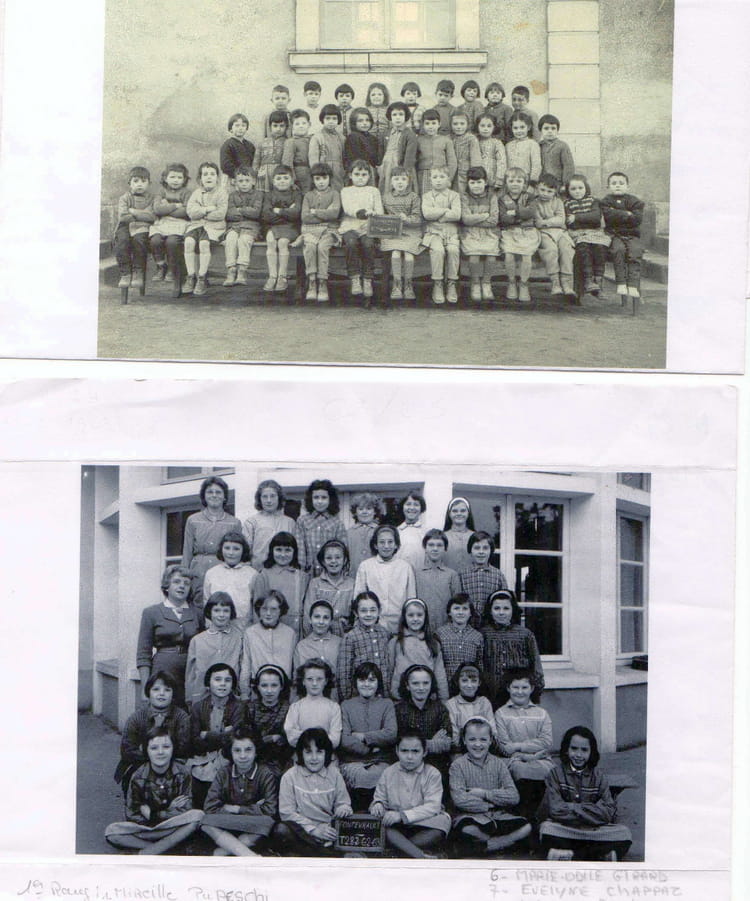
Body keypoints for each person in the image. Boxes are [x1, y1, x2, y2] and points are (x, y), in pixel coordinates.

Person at [539, 726, 632, 861]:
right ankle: (598, 855)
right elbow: (555, 809)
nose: (578, 755)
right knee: (547, 829)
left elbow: (608, 812)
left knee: (624, 834)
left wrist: (572, 807)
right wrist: (590, 811)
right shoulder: (554, 774)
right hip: (566, 828)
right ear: (566, 750)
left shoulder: (599, 777)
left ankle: (570, 855)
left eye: (584, 750)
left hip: (594, 831)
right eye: (574, 748)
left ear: (591, 752)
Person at [105, 728, 203, 854]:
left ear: (173, 749)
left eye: (166, 747)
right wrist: (168, 810)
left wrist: (153, 814)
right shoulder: (138, 776)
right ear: (146, 750)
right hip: (145, 830)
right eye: (154, 748)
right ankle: (166, 848)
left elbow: (187, 808)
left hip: (172, 827)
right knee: (111, 832)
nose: (160, 752)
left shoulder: (183, 773)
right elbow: (132, 813)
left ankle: (149, 851)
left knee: (198, 816)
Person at [449, 718, 531, 855]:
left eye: (483, 740)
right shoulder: (457, 765)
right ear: (464, 740)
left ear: (491, 740)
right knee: (467, 829)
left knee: (527, 827)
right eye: (472, 739)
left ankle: (492, 844)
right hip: (472, 817)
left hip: (498, 816)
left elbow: (513, 796)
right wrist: (492, 804)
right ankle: (501, 843)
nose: (477, 744)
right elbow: (460, 799)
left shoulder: (499, 764)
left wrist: (485, 794)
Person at [370, 732, 451, 858]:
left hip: (423, 823)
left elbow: (433, 806)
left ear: (424, 752)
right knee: (383, 827)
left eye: (415, 751)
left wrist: (403, 816)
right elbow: (380, 798)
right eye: (404, 751)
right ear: (397, 751)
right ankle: (421, 856)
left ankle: (399, 850)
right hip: (397, 826)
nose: (409, 756)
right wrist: (378, 804)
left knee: (441, 824)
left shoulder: (432, 773)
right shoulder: (388, 772)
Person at [201, 728, 277, 856]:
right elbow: (209, 807)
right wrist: (254, 809)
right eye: (237, 750)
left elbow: (270, 809)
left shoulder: (265, 774)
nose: (242, 756)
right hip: (227, 822)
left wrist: (237, 809)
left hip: (253, 825)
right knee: (205, 821)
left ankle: (226, 850)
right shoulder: (223, 773)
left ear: (256, 751)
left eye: (248, 750)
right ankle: (247, 854)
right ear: (230, 752)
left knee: (268, 823)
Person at [276, 727, 353, 854]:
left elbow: (343, 802)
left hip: (328, 830)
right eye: (308, 752)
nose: (314, 758)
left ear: (327, 753)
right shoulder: (289, 777)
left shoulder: (334, 774)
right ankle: (319, 853)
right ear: (300, 753)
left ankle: (318, 852)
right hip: (303, 831)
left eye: (319, 752)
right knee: (282, 829)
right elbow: (287, 813)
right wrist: (313, 829)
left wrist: (343, 809)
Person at [136, 564, 203, 709]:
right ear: (166, 585)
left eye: (186, 583)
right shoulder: (151, 612)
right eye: (176, 582)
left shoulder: (197, 613)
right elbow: (143, 653)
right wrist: (145, 688)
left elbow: (203, 646)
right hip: (163, 670)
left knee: (190, 714)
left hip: (190, 672)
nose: (182, 586)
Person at [114, 671, 191, 796]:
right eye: (156, 689)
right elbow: (127, 749)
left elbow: (184, 746)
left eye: (167, 690)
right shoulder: (137, 717)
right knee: (137, 780)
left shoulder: (181, 717)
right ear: (148, 693)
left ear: (173, 694)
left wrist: (163, 760)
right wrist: (152, 759)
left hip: (172, 762)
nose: (161, 694)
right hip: (141, 763)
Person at [339, 662, 397, 808]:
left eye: (372, 680)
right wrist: (370, 749)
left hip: (381, 761)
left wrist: (364, 737)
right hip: (353, 761)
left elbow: (391, 733)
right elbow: (345, 739)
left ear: (378, 682)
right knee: (360, 776)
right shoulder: (346, 705)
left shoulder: (386, 704)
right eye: (362, 680)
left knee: (383, 776)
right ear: (355, 682)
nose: (367, 684)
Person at [187, 662, 244, 807]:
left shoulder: (239, 707)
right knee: (197, 783)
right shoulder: (198, 707)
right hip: (202, 758)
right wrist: (223, 733)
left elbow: (234, 739)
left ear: (233, 684)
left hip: (227, 758)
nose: (222, 684)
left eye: (227, 680)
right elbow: (194, 740)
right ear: (208, 683)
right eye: (217, 680)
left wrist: (207, 734)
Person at [181, 476, 241, 605]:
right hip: (199, 570)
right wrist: (184, 577)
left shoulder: (234, 523)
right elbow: (187, 552)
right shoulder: (193, 520)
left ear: (225, 496)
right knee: (198, 605)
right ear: (204, 496)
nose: (214, 495)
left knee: (222, 605)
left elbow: (238, 553)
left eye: (218, 492)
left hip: (223, 570)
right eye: (210, 492)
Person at [481, 590, 544, 707]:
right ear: (490, 611)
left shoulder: (525, 634)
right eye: (497, 608)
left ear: (513, 610)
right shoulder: (483, 634)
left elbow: (536, 665)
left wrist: (536, 691)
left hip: (518, 695)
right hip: (491, 695)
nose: (501, 613)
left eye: (506, 608)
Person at [353, 525, 416, 633]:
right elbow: (358, 597)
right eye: (382, 542)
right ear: (375, 545)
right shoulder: (366, 566)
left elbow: (411, 599)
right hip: (373, 625)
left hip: (399, 625)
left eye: (390, 542)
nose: (386, 546)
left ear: (396, 545)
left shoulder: (405, 567)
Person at [338, 158, 384, 305]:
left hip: (368, 227)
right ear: (350, 175)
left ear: (369, 176)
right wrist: (361, 212)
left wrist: (373, 214)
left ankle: (368, 279)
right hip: (350, 225)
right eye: (357, 174)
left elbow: (380, 211)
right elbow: (348, 209)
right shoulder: (346, 191)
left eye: (364, 175)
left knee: (368, 244)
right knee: (351, 243)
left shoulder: (373, 191)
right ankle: (355, 278)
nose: (360, 178)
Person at [184, 592, 243, 705]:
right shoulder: (197, 640)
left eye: (226, 611)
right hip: (202, 696)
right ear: (209, 612)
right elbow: (190, 673)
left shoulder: (238, 638)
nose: (221, 615)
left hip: (230, 697)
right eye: (216, 610)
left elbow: (241, 666)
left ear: (231, 613)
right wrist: (189, 697)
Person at [394, 665, 452, 774]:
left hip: (435, 765)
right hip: (405, 765)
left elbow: (446, 743)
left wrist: (412, 745)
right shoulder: (398, 710)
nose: (421, 688)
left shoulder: (440, 709)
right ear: (407, 685)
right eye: (415, 683)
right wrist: (431, 743)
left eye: (425, 683)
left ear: (431, 684)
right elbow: (396, 742)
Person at [336, 591, 393, 701]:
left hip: (382, 695)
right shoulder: (350, 637)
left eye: (373, 610)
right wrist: (346, 699)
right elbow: (344, 671)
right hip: (359, 696)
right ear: (356, 613)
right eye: (363, 610)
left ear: (379, 611)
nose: (368, 614)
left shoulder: (385, 633)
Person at [239, 590, 297, 697]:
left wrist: (294, 693)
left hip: (284, 691)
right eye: (264, 609)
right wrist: (244, 692)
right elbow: (246, 664)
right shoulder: (250, 633)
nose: (268, 613)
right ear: (258, 610)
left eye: (274, 609)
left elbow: (294, 666)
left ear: (281, 611)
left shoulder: (290, 633)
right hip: (258, 690)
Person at [389, 598, 449, 700]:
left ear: (425, 617)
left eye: (419, 615)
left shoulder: (433, 643)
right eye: (411, 615)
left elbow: (440, 674)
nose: (415, 619)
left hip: (426, 697)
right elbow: (389, 670)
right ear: (404, 617)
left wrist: (444, 699)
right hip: (401, 698)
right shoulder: (396, 642)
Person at [183, 161, 228, 297]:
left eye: (212, 174)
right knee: (189, 242)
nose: (209, 177)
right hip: (196, 226)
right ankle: (191, 276)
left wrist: (201, 213)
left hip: (214, 228)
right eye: (205, 174)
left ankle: (202, 277)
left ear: (217, 178)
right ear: (200, 178)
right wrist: (207, 209)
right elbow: (191, 212)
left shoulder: (221, 193)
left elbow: (220, 214)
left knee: (203, 244)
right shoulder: (196, 193)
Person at [253, 532, 309, 637]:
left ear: (294, 552)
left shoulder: (302, 577)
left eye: (287, 550)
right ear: (271, 551)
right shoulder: (264, 575)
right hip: (271, 628)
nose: (283, 554)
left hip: (296, 628)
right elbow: (258, 608)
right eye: (278, 550)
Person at [600, 171, 645, 304]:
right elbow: (608, 216)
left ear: (627, 186)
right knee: (618, 251)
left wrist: (617, 213)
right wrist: (627, 213)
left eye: (621, 183)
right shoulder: (606, 201)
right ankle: (620, 283)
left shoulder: (635, 201)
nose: (617, 186)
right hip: (615, 235)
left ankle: (632, 285)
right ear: (608, 186)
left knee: (635, 253)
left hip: (632, 235)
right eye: (614, 183)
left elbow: (637, 219)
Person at [300, 163, 341, 303]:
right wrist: (325, 213)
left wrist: (315, 212)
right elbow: (304, 217)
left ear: (329, 178)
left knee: (322, 247)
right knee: (310, 247)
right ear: (313, 180)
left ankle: (322, 283)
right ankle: (312, 281)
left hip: (329, 230)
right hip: (310, 230)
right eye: (317, 179)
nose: (321, 182)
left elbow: (334, 213)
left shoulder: (335, 194)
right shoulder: (308, 196)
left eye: (324, 178)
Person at [565, 173, 611, 297]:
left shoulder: (593, 201)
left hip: (595, 233)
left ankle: (598, 282)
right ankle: (588, 280)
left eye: (580, 188)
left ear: (586, 188)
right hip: (578, 234)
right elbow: (570, 224)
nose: (577, 191)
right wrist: (585, 219)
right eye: (573, 189)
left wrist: (577, 217)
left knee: (600, 248)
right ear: (568, 191)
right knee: (583, 248)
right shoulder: (567, 204)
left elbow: (596, 218)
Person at [498, 167, 540, 303]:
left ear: (524, 183)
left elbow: (531, 213)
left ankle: (523, 283)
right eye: (511, 180)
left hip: (527, 232)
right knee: (509, 254)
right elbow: (503, 218)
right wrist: (521, 215)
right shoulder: (503, 199)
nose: (515, 183)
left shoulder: (530, 197)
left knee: (526, 255)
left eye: (518, 181)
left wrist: (514, 212)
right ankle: (511, 282)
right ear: (506, 183)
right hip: (509, 231)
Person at [381, 166, 423, 304]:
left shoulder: (414, 197)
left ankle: (408, 284)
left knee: (409, 255)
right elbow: (381, 218)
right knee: (395, 254)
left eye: (403, 179)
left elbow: (418, 219)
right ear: (391, 182)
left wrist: (407, 218)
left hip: (410, 232)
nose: (400, 182)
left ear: (408, 181)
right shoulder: (386, 198)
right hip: (393, 233)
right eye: (396, 179)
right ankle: (397, 285)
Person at [421, 166, 461, 305]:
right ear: (430, 180)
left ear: (448, 179)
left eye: (442, 177)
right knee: (437, 250)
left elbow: (456, 214)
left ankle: (451, 283)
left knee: (453, 250)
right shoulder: (426, 196)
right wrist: (445, 210)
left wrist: (438, 215)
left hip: (451, 232)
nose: (438, 181)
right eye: (435, 177)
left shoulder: (454, 195)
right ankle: (437, 283)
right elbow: (427, 214)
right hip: (433, 232)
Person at [243, 664, 293, 777]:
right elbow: (247, 737)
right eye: (264, 685)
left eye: (274, 685)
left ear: (281, 686)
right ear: (258, 687)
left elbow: (289, 739)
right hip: (255, 757)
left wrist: (280, 739)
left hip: (281, 760)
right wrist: (268, 739)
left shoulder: (288, 708)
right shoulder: (251, 708)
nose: (269, 691)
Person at [460, 165, 500, 303]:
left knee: (491, 256)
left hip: (489, 233)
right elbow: (465, 219)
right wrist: (484, 215)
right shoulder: (464, 197)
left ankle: (487, 283)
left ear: (485, 182)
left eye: (479, 182)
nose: (476, 186)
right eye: (472, 183)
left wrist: (474, 218)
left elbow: (494, 220)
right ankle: (475, 283)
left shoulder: (492, 197)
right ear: (468, 183)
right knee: (474, 255)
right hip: (470, 233)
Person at [203, 531, 259, 628]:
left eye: (236, 549)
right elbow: (206, 600)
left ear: (243, 551)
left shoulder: (252, 574)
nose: (231, 553)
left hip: (243, 626)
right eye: (227, 548)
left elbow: (256, 604)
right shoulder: (211, 573)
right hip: (218, 626)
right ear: (221, 549)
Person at [149, 163, 190, 294]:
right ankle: (161, 266)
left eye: (179, 177)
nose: (176, 180)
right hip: (162, 223)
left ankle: (173, 270)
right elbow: (156, 209)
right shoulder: (161, 191)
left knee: (172, 242)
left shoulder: (186, 193)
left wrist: (166, 207)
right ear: (165, 178)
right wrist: (176, 206)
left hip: (179, 223)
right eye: (172, 177)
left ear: (184, 179)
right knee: (155, 240)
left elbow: (186, 212)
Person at [535, 173, 576, 299]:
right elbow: (537, 222)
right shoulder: (534, 202)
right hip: (543, 233)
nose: (545, 193)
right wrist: (551, 222)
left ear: (555, 192)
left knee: (566, 249)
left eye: (549, 191)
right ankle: (555, 282)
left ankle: (566, 283)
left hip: (560, 232)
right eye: (542, 190)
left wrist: (546, 222)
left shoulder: (558, 202)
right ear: (537, 188)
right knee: (551, 250)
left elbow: (561, 220)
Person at [261, 164, 301, 294]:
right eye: (278, 178)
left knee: (283, 242)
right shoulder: (269, 195)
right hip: (273, 226)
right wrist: (287, 212)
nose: (282, 181)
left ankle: (282, 276)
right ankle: (272, 276)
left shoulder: (296, 194)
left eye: (285, 178)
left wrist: (278, 211)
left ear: (291, 180)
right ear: (273, 181)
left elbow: (297, 214)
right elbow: (266, 215)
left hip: (291, 227)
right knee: (271, 241)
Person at [284, 658, 342, 748]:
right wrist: (320, 739)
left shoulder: (334, 707)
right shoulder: (295, 707)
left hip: (326, 755)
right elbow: (291, 736)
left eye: (319, 679)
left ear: (326, 681)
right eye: (310, 679)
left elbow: (335, 739)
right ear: (303, 681)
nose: (314, 683)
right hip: (302, 754)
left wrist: (306, 737)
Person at [113, 166, 155, 289]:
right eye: (135, 181)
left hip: (143, 227)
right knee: (122, 241)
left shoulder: (152, 198)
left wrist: (133, 211)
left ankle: (138, 271)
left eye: (143, 181)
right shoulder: (125, 198)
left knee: (139, 241)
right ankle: (125, 273)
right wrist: (142, 214)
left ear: (149, 183)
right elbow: (123, 217)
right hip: (125, 226)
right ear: (129, 183)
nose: (139, 184)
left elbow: (152, 216)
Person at [241, 479, 296, 571]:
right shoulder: (251, 522)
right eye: (265, 497)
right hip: (258, 571)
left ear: (279, 498)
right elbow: (245, 551)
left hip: (284, 572)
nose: (269, 500)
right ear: (259, 499)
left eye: (273, 496)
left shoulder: (290, 522)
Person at [295, 479, 347, 575]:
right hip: (308, 573)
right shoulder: (302, 521)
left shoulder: (337, 523)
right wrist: (301, 572)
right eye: (316, 497)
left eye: (324, 498)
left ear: (330, 500)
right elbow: (300, 550)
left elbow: (342, 551)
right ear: (311, 499)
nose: (319, 501)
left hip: (330, 573)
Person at [303, 540, 354, 637]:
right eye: (329, 558)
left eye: (338, 557)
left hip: (346, 636)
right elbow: (307, 615)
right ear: (323, 561)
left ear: (345, 560)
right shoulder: (315, 584)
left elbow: (356, 614)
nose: (333, 561)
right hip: (321, 634)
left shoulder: (352, 584)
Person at [223, 166, 262, 287]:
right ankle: (231, 269)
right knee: (230, 239)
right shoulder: (232, 195)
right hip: (234, 226)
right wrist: (246, 211)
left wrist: (239, 210)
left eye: (247, 181)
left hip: (251, 227)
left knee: (244, 240)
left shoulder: (258, 195)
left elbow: (256, 213)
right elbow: (229, 214)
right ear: (235, 182)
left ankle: (242, 270)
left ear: (253, 181)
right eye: (240, 181)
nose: (244, 184)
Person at [414, 528, 460, 629]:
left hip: (446, 628)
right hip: (421, 628)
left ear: (445, 548)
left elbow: (457, 604)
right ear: (425, 548)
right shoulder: (416, 573)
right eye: (431, 545)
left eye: (439, 545)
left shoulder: (452, 575)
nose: (435, 549)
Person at [458, 531, 508, 624]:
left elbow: (504, 603)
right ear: (470, 550)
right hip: (467, 625)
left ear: (491, 550)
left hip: (491, 626)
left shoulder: (498, 575)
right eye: (477, 548)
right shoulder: (462, 575)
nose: (481, 552)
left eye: (485, 548)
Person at [435, 593, 484, 685]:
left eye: (465, 609)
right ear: (449, 612)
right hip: (445, 683)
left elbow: (480, 664)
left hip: (468, 685)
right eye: (456, 608)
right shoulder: (440, 633)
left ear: (470, 613)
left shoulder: (477, 636)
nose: (460, 612)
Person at [445, 663, 496, 750]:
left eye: (474, 681)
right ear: (458, 682)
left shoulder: (484, 702)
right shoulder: (451, 704)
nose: (469, 685)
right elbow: (454, 736)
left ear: (479, 682)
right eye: (464, 681)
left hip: (483, 749)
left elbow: (493, 731)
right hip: (460, 751)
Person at [379, 101, 418, 197]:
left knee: (401, 187)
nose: (397, 117)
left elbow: (410, 156)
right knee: (387, 186)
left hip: (401, 165)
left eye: (401, 114)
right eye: (394, 114)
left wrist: (405, 171)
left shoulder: (409, 134)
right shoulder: (386, 133)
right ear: (390, 117)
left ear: (406, 117)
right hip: (387, 165)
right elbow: (382, 150)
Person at [294, 600, 342, 675]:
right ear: (310, 619)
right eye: (317, 617)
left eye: (326, 618)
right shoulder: (302, 646)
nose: (321, 622)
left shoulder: (340, 643)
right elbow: (298, 676)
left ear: (331, 621)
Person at [416, 110, 457, 196]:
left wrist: (449, 178)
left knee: (441, 198)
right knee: (425, 198)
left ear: (439, 124)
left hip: (441, 174)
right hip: (424, 175)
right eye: (427, 124)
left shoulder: (446, 140)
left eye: (433, 123)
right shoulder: (418, 140)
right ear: (423, 125)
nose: (431, 127)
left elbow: (452, 161)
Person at [346, 491, 384, 575]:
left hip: (377, 575)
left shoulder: (380, 531)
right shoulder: (349, 533)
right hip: (354, 575)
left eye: (369, 508)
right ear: (355, 512)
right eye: (360, 509)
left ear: (375, 511)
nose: (364, 512)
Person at [309, 105, 346, 192]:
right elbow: (313, 159)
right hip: (323, 170)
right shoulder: (317, 137)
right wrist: (317, 173)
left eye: (334, 119)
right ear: (322, 120)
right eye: (328, 118)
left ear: (338, 120)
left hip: (338, 170)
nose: (331, 121)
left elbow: (344, 156)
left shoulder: (342, 138)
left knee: (337, 191)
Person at [538, 114, 575, 191]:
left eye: (553, 128)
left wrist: (565, 184)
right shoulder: (539, 146)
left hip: (558, 183)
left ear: (557, 130)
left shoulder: (562, 146)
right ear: (540, 130)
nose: (550, 131)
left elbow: (568, 166)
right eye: (546, 128)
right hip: (543, 184)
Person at [450, 110, 482, 195]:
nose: (459, 127)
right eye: (455, 124)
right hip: (452, 174)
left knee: (465, 194)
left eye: (462, 124)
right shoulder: (449, 139)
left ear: (467, 124)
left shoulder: (471, 139)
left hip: (466, 173)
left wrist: (474, 175)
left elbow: (476, 159)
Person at [505, 112, 541, 187]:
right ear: (511, 128)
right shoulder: (508, 145)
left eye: (522, 127)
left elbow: (536, 165)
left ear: (528, 127)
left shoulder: (532, 144)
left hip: (526, 182)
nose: (519, 131)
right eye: (515, 128)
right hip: (511, 182)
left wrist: (532, 183)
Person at [255, 111, 288, 193]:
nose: (278, 129)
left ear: (286, 127)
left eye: (282, 126)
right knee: (263, 194)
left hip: (279, 173)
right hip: (264, 174)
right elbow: (256, 161)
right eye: (275, 126)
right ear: (270, 127)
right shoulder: (262, 142)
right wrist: (254, 174)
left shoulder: (287, 142)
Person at [282, 109, 313, 194]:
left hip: (312, 174)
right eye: (297, 124)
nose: (301, 126)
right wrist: (291, 180)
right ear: (292, 126)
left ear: (309, 124)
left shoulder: (313, 139)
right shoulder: (291, 141)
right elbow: (287, 163)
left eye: (304, 123)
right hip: (299, 174)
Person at [442, 496, 476, 572]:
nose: (459, 513)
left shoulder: (475, 537)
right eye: (455, 511)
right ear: (449, 514)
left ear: (468, 513)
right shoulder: (442, 537)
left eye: (463, 511)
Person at [396, 490, 428, 570]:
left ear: (421, 508)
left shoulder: (426, 532)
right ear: (402, 507)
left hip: (420, 574)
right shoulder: (396, 531)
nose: (412, 508)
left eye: (416, 505)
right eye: (408, 504)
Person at [343, 108, 381, 175]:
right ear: (354, 122)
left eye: (367, 120)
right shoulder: (353, 137)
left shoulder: (373, 138)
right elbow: (353, 159)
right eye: (360, 121)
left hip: (371, 171)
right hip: (359, 172)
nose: (364, 123)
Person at [476, 113, 507, 195]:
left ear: (494, 127)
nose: (485, 129)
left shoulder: (497, 143)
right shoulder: (475, 141)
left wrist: (499, 177)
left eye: (489, 126)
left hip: (493, 174)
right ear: (477, 127)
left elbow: (501, 160)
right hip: (478, 175)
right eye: (482, 126)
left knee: (493, 196)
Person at [219, 114, 255, 183]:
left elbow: (252, 162)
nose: (240, 128)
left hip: (247, 177)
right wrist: (237, 175)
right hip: (231, 178)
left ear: (246, 128)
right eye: (237, 125)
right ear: (231, 129)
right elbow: (225, 165)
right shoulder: (228, 144)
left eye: (243, 125)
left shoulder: (250, 145)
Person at [366, 82, 391, 154]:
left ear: (385, 96)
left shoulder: (388, 110)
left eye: (379, 94)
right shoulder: (366, 110)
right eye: (373, 95)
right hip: (369, 140)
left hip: (385, 141)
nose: (376, 97)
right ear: (369, 97)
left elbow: (391, 126)